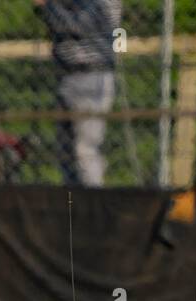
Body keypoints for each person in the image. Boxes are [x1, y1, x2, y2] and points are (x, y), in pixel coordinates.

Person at [32, 0, 121, 187]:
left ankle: (92, 202)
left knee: (85, 149)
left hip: (90, 75)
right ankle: (72, 205)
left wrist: (48, 5)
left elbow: (78, 25)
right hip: (67, 75)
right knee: (66, 150)